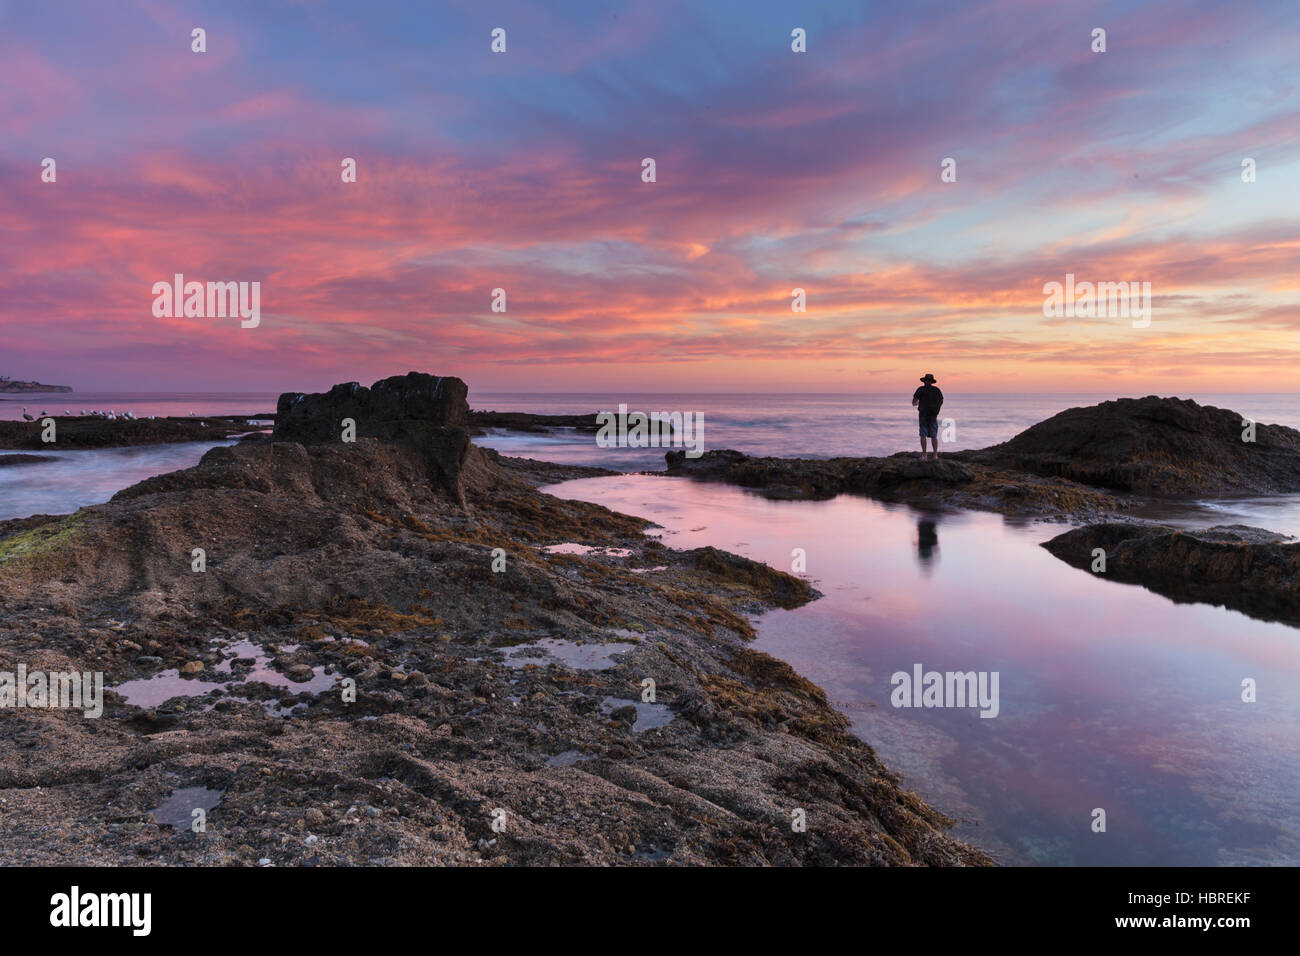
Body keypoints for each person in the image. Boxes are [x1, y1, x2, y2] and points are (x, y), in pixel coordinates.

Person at [911, 373, 943, 460]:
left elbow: (914, 402)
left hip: (923, 415)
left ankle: (924, 455)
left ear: (924, 381)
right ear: (932, 382)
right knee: (934, 435)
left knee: (923, 434)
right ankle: (935, 455)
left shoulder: (921, 389)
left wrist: (916, 403)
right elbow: (941, 401)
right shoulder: (936, 390)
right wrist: (937, 410)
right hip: (933, 415)